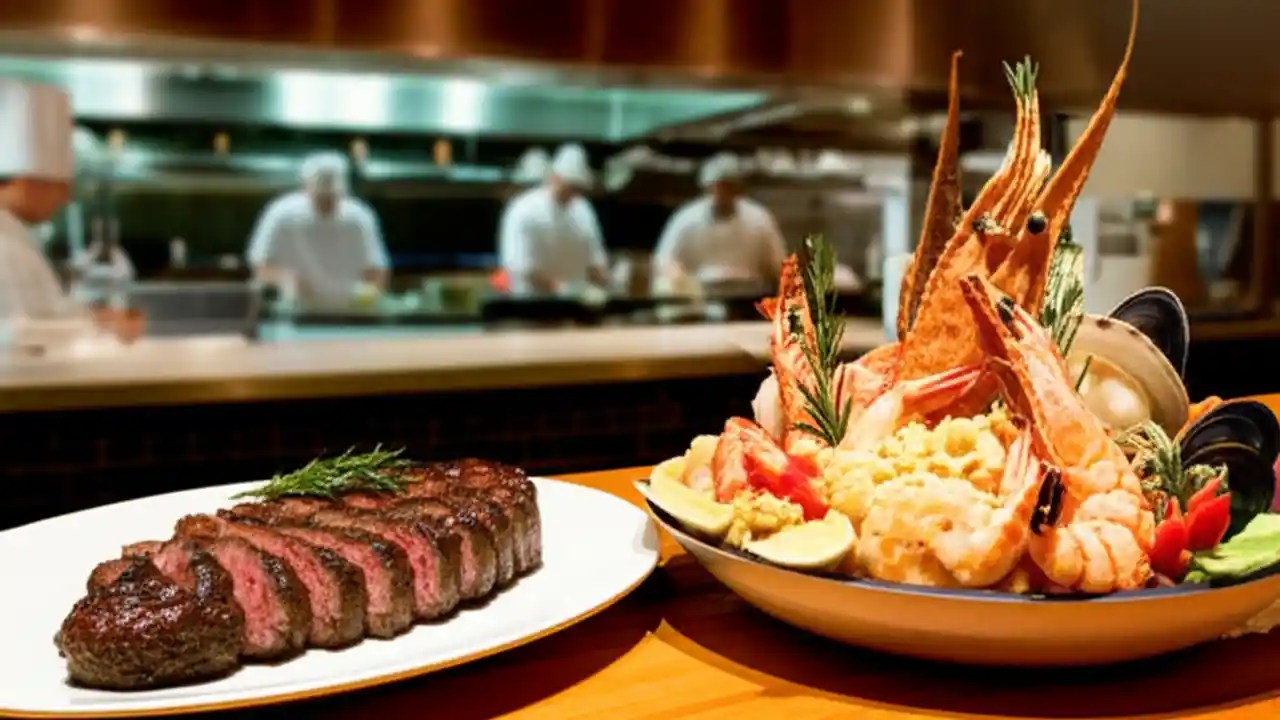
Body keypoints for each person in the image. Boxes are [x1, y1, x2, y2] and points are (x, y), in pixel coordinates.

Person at [0, 78, 110, 351]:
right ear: (28, 180)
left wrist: (94, 317)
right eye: (60, 186)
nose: (65, 199)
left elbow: (44, 317)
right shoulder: (5, 247)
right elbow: (14, 336)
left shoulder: (16, 239)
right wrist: (98, 325)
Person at [246, 151, 389, 307]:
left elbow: (377, 271)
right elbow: (260, 267)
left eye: (332, 198)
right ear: (306, 188)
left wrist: (368, 302)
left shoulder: (360, 218)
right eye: (321, 198)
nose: (327, 204)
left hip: (348, 311)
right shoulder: (280, 214)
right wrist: (286, 279)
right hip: (295, 311)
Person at [652, 153, 787, 294]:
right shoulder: (686, 219)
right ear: (706, 188)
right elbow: (666, 262)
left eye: (729, 187)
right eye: (718, 187)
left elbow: (777, 265)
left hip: (748, 296)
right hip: (700, 297)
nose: (722, 193)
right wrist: (679, 282)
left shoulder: (759, 219)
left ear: (738, 189)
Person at [497, 143, 608, 296]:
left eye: (578, 188)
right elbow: (521, 266)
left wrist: (604, 282)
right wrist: (559, 289)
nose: (573, 194)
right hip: (530, 303)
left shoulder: (583, 209)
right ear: (554, 178)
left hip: (575, 304)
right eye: (570, 186)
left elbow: (595, 257)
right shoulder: (524, 209)